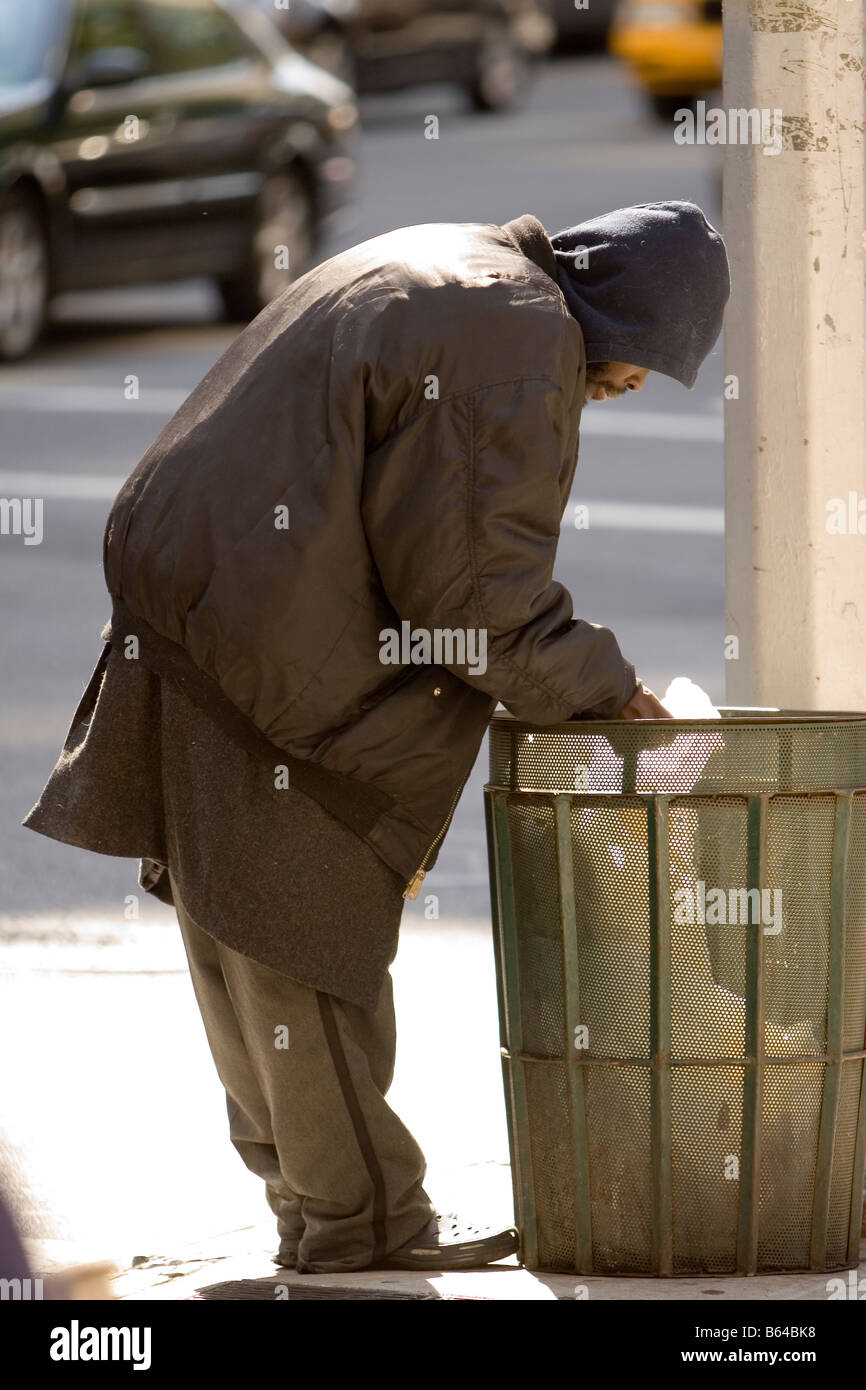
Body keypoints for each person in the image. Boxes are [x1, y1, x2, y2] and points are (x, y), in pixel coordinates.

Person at [23, 200, 730, 1274]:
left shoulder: (457, 266)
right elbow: (473, 596)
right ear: (623, 315)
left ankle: (317, 1213)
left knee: (238, 935)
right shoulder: (522, 335)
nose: (627, 388)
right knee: (302, 936)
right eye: (639, 366)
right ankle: (362, 1229)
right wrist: (611, 692)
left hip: (191, 607)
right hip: (266, 640)